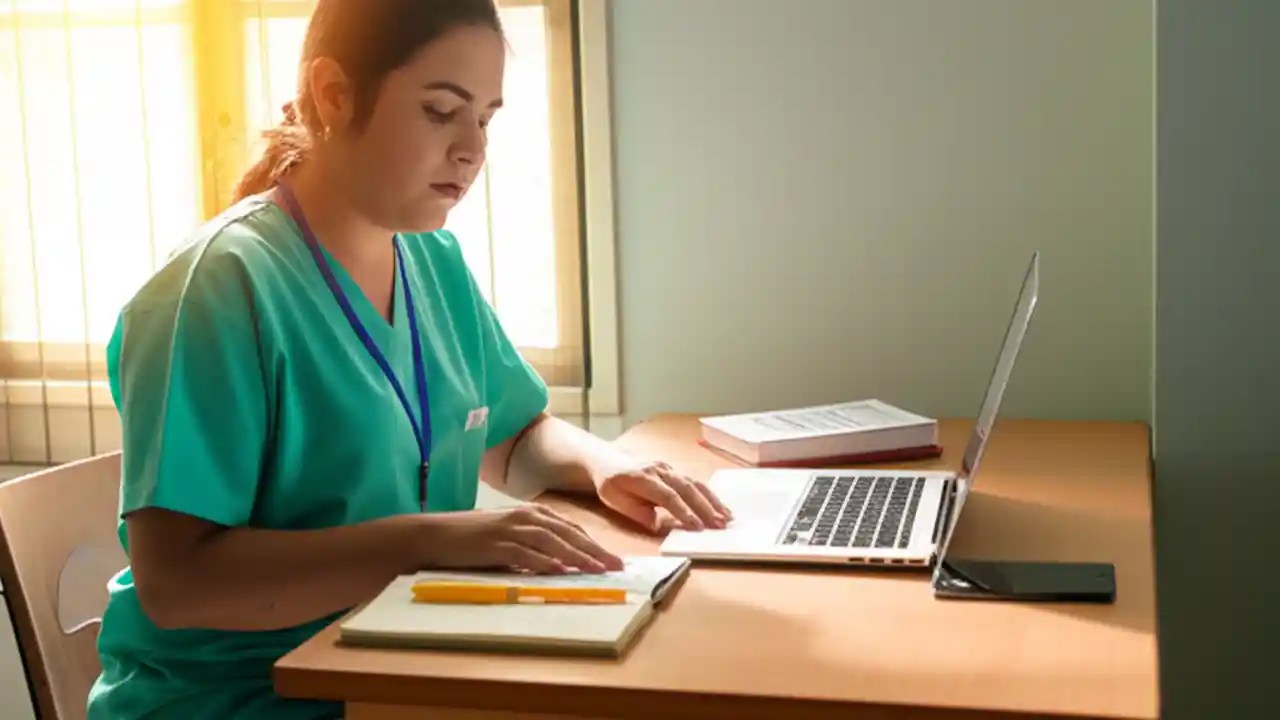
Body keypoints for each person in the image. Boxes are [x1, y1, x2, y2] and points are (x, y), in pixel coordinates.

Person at [86, 1, 730, 717]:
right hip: (248, 699)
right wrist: (430, 541)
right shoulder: (216, 292)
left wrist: (606, 467)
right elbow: (179, 584)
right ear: (333, 94)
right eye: (439, 111)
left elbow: (512, 435)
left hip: (398, 666)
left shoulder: (431, 258)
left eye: (484, 118)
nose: (472, 150)